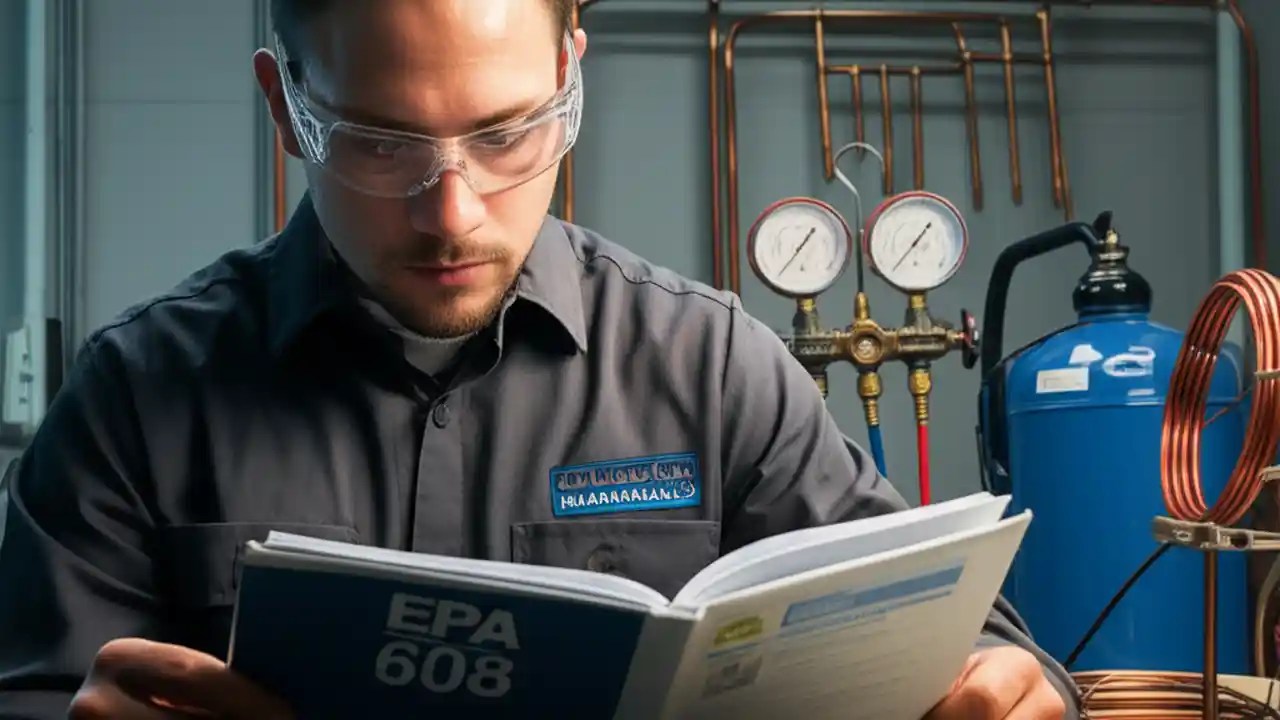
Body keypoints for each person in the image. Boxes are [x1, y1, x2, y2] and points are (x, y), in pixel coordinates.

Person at [0, 0, 1077, 717]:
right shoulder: (134, 401)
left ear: (570, 77)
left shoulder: (713, 374)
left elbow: (976, 639)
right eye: (382, 144)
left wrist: (1011, 685)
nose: (452, 214)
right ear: (287, 106)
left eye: (507, 133)